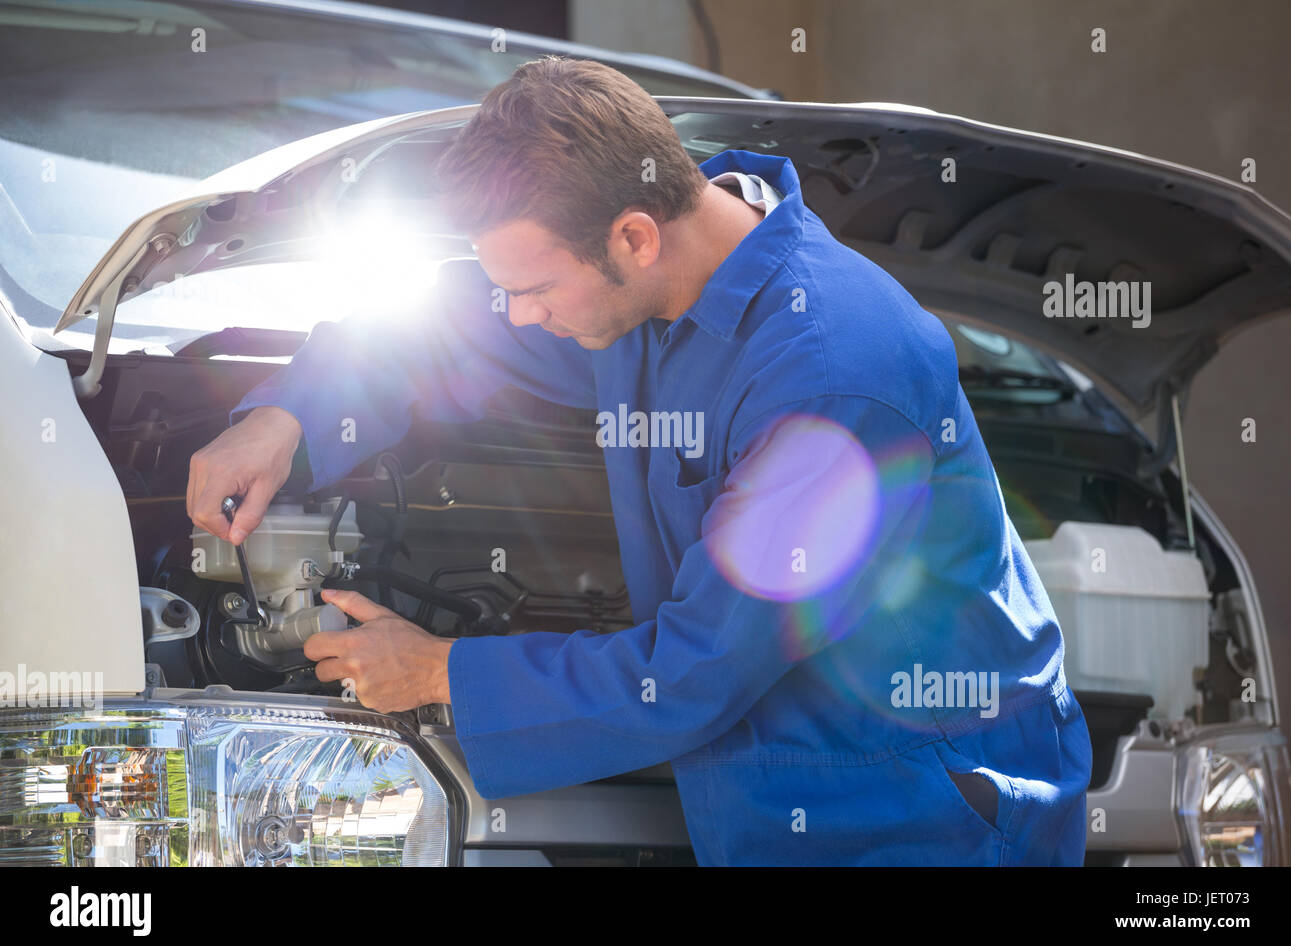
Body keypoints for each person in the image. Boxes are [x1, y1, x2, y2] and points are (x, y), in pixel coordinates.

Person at [187, 56, 1091, 865]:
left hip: (922, 820)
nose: (520, 316)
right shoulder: (639, 289)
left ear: (633, 236)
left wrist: (439, 672)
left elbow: (699, 669)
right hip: (764, 804)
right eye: (509, 288)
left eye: (534, 290)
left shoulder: (831, 375)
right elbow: (442, 328)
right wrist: (283, 417)